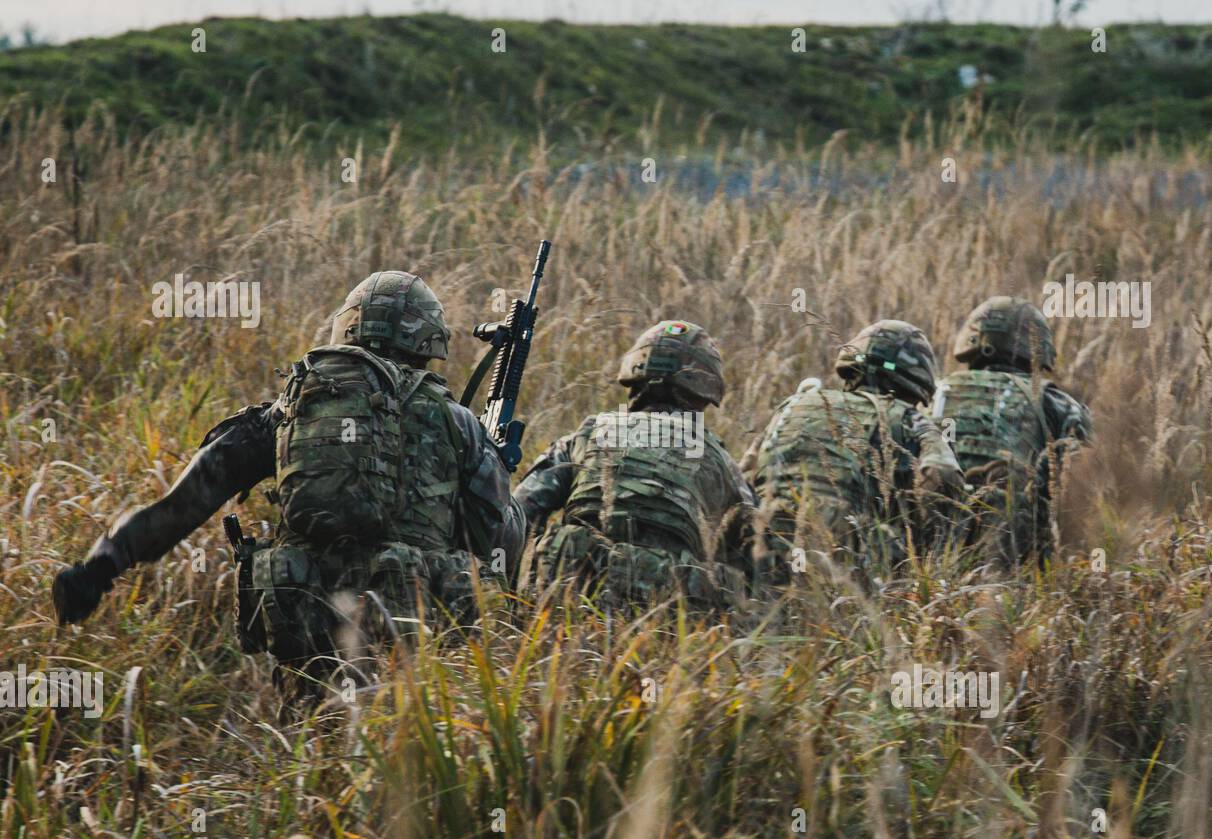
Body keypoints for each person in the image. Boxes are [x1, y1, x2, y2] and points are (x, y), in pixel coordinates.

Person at [53, 270, 524, 697]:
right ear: (427, 342)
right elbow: (495, 540)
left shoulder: (289, 413)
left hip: (308, 639)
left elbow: (181, 506)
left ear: (349, 329)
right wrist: (496, 467)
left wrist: (100, 567)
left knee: (313, 759)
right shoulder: (458, 424)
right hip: (416, 662)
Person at [514, 320, 754, 608]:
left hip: (569, 600)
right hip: (667, 615)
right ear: (702, 390)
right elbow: (757, 548)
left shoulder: (588, 433)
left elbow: (519, 514)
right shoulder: (718, 457)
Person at [747, 320, 964, 582]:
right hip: (845, 567)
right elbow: (944, 474)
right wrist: (928, 550)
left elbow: (744, 475)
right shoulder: (909, 418)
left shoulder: (794, 405)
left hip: (761, 555)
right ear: (916, 378)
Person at [930, 296, 1092, 567]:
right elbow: (1086, 487)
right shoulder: (1056, 402)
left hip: (932, 552)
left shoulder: (934, 393)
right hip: (1016, 558)